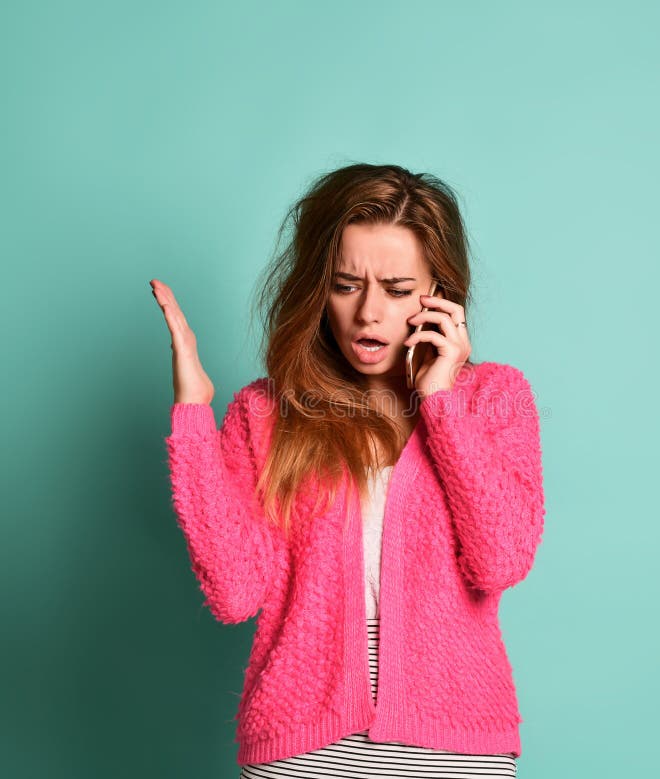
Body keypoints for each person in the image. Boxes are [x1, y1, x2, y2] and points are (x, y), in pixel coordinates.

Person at [151, 163, 546, 777]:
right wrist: (195, 416)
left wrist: (439, 400)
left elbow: (502, 559)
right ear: (318, 288)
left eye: (395, 288)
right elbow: (234, 593)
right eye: (344, 284)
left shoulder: (492, 400)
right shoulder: (266, 412)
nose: (368, 313)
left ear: (438, 293)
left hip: (453, 743)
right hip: (302, 747)